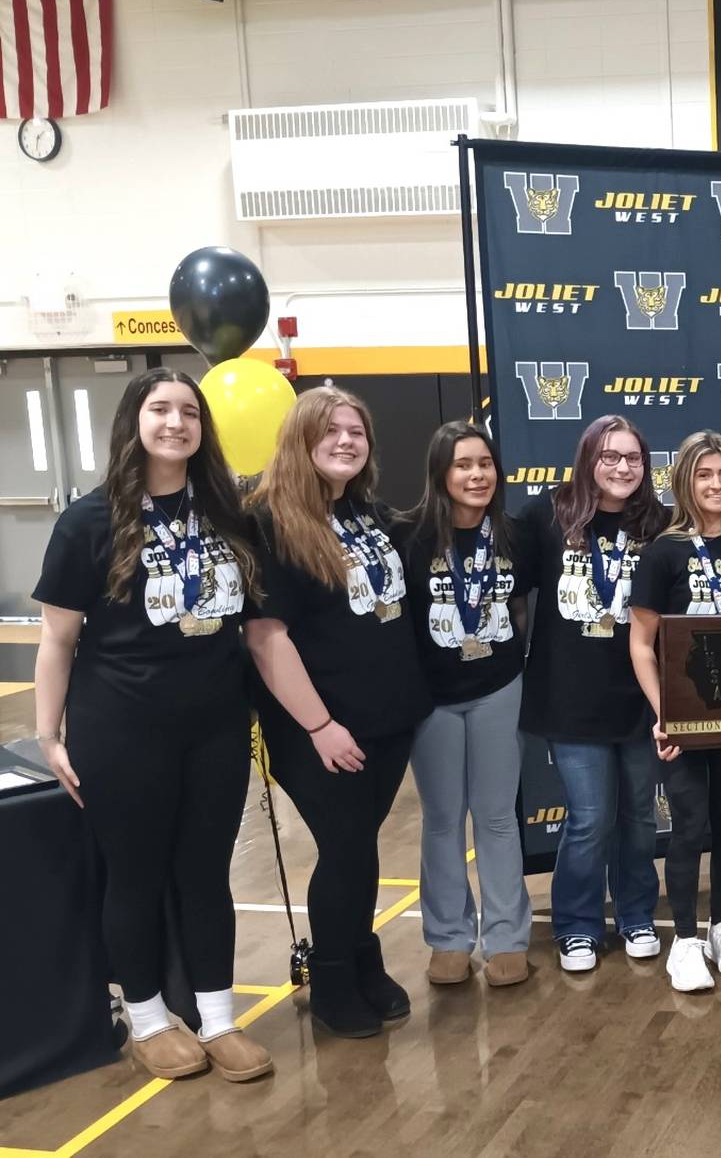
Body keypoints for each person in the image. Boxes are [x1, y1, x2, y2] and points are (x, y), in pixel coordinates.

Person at [32, 368, 271, 1082]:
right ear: (134, 420)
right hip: (120, 729)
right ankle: (146, 1019)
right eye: (161, 409)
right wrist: (49, 736)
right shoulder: (88, 521)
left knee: (205, 874)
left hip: (215, 730)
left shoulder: (232, 516)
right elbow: (56, 641)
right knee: (134, 876)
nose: (176, 423)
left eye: (189, 412)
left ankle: (219, 1018)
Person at [244, 387, 431, 1037]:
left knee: (359, 847)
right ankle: (330, 978)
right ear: (301, 439)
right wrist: (320, 727)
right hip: (319, 729)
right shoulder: (270, 520)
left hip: (388, 718)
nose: (348, 440)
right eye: (332, 431)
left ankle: (361, 957)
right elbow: (267, 638)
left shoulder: (366, 512)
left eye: (358, 431)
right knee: (345, 847)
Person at [519, 415, 668, 973]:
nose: (622, 467)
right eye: (609, 457)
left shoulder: (660, 523)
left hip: (639, 695)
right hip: (571, 697)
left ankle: (635, 914)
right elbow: (515, 595)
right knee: (587, 818)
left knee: (639, 815)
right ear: (587, 460)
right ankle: (577, 925)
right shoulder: (548, 515)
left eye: (633, 458)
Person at [629, 431, 721, 991]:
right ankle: (684, 940)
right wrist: (666, 715)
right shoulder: (664, 551)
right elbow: (641, 645)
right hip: (684, 720)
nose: (716, 485)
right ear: (684, 481)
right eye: (704, 474)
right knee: (689, 824)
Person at [401, 421, 533, 987]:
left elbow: (523, 611)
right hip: (432, 700)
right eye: (462, 465)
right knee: (442, 819)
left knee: (498, 816)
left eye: (485, 464)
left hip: (499, 688)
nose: (476, 475)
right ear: (440, 473)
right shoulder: (408, 537)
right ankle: (449, 938)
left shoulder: (515, 536)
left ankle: (507, 936)